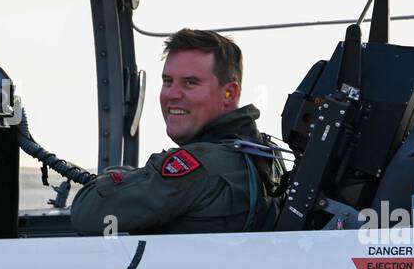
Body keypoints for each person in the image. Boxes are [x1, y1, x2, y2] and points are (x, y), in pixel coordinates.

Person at [70, 29, 272, 235]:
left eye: (190, 83)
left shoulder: (199, 167)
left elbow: (88, 214)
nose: (171, 94)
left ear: (229, 93)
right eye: (167, 81)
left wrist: (117, 177)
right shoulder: (262, 154)